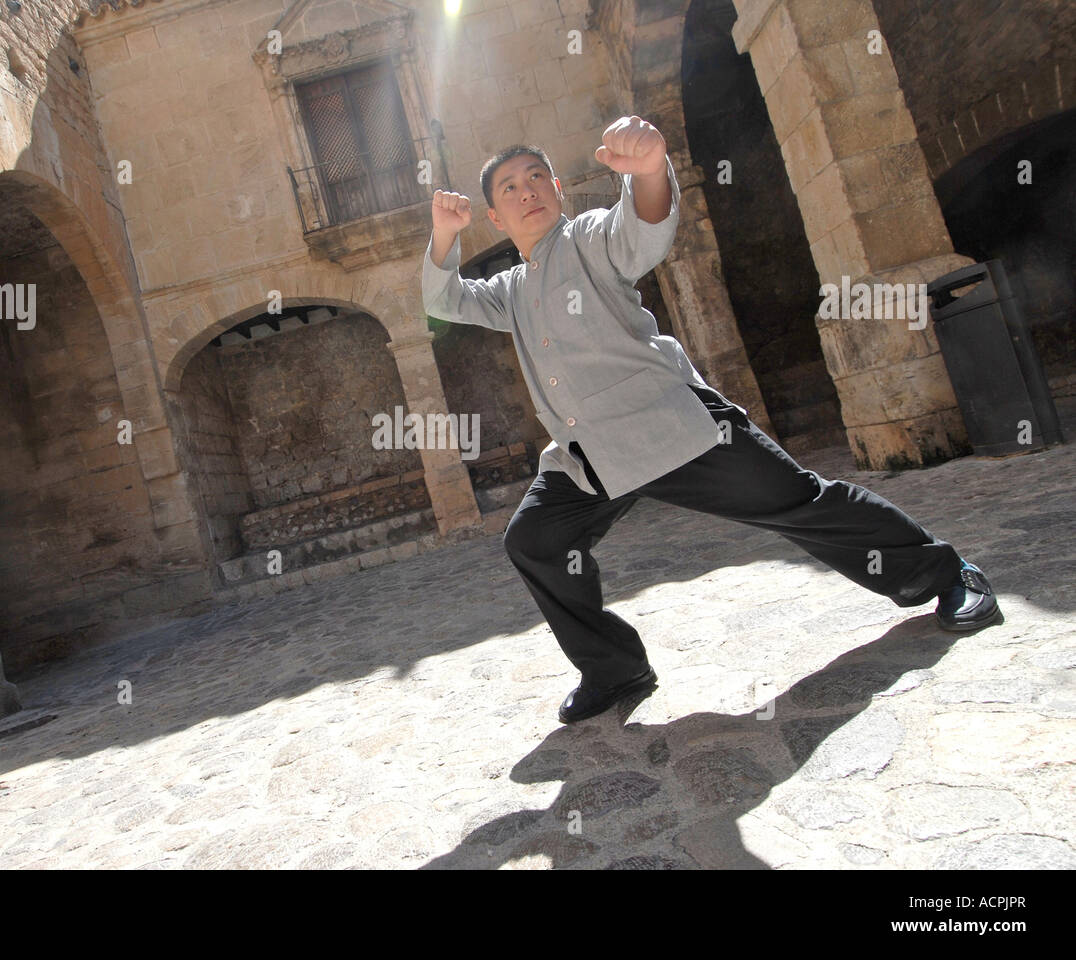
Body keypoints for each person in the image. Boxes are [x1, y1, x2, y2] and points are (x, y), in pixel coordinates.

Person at [421, 116, 1002, 724]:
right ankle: (615, 670)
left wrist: (647, 170)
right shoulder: (509, 289)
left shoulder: (591, 238)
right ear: (496, 217)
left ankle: (947, 574)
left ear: (559, 189)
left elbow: (641, 228)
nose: (527, 191)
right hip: (588, 459)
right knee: (534, 542)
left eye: (536, 177)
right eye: (509, 187)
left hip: (678, 433)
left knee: (802, 502)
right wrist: (441, 237)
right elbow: (443, 300)